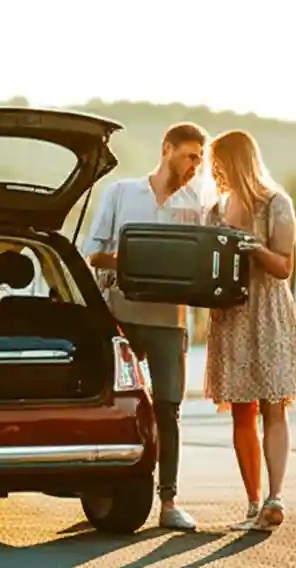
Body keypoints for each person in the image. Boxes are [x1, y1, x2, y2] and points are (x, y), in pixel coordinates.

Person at [81, 121, 211, 531]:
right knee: (111, 408)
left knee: (168, 410)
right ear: (167, 149)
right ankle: (103, 494)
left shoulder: (196, 205)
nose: (194, 165)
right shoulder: (121, 192)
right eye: (189, 155)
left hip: (169, 323)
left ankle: (169, 501)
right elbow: (93, 253)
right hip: (120, 317)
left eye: (199, 159)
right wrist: (141, 261)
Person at [203, 129, 296, 532]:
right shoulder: (216, 210)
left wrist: (251, 247)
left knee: (273, 404)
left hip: (269, 313)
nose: (214, 170)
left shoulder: (277, 204)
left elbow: (283, 268)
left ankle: (275, 497)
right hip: (231, 316)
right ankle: (253, 504)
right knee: (242, 411)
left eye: (218, 162)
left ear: (235, 161)